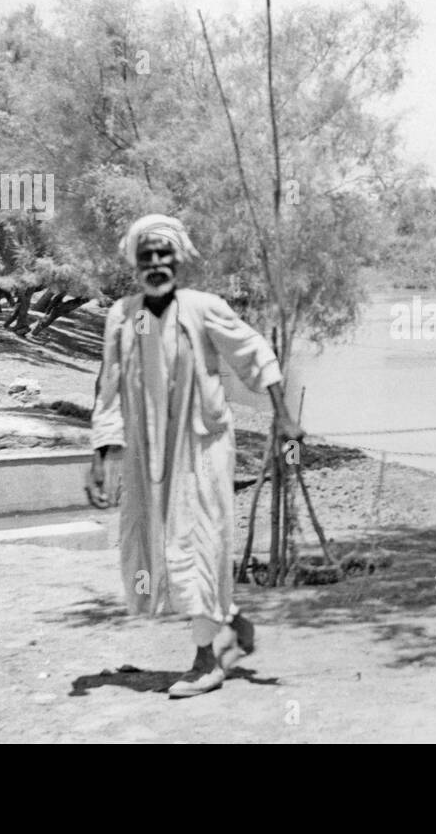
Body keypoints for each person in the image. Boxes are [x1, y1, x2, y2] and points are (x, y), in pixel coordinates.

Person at [86, 213, 304, 699]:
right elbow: (108, 385)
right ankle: (227, 617)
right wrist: (100, 455)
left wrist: (283, 417)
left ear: (179, 260)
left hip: (203, 450)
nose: (157, 263)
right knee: (158, 549)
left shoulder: (203, 308)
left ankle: (206, 663)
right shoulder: (123, 315)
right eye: (147, 256)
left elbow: (253, 351)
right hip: (148, 457)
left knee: (197, 544)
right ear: (135, 264)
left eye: (165, 255)